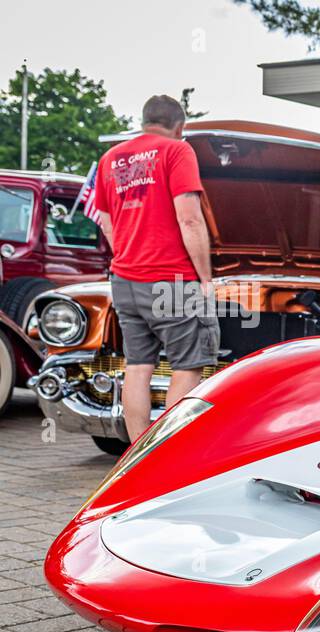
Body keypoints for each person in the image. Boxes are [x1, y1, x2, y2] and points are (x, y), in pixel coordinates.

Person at [95, 94, 214, 441]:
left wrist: (130, 257)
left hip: (125, 281)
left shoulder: (110, 158)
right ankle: (164, 453)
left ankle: (136, 453)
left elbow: (105, 223)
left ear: (145, 121)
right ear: (180, 126)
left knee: (138, 367)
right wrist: (205, 279)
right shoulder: (177, 151)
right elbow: (190, 219)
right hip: (172, 280)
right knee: (188, 366)